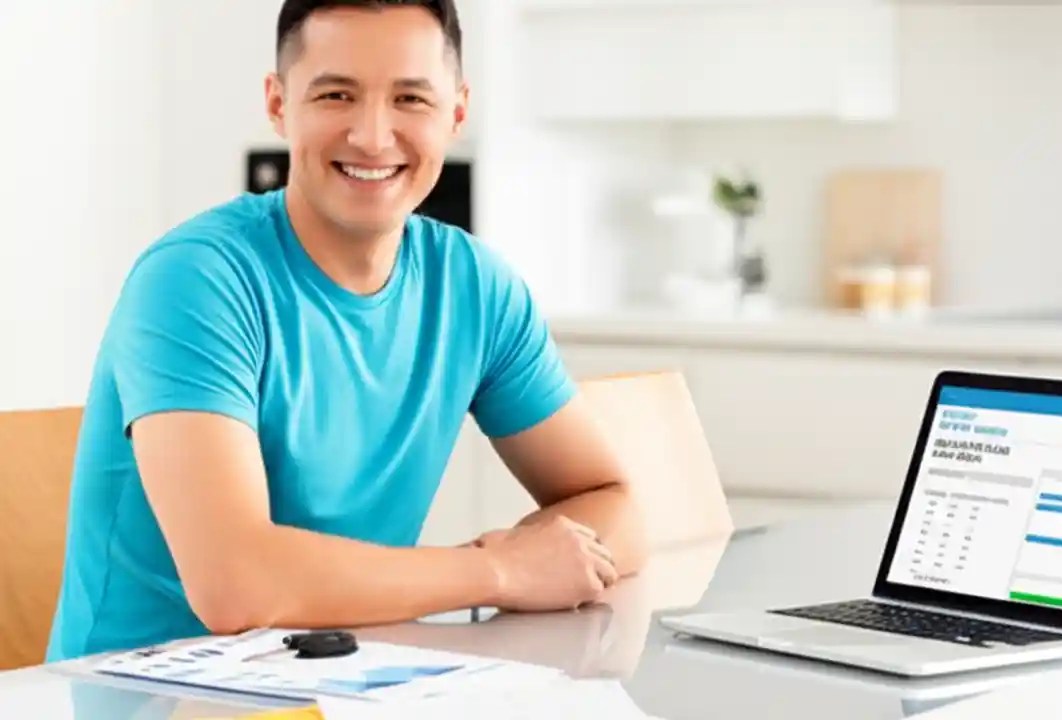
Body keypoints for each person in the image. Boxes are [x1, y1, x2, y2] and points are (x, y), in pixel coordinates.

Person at [46, 0, 646, 662]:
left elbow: (614, 504)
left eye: (410, 99)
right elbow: (235, 587)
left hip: (345, 678)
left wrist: (530, 561)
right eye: (337, 94)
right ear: (278, 104)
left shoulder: (475, 287)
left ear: (456, 111)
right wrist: (497, 570)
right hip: (144, 695)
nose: (372, 135)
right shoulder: (195, 279)